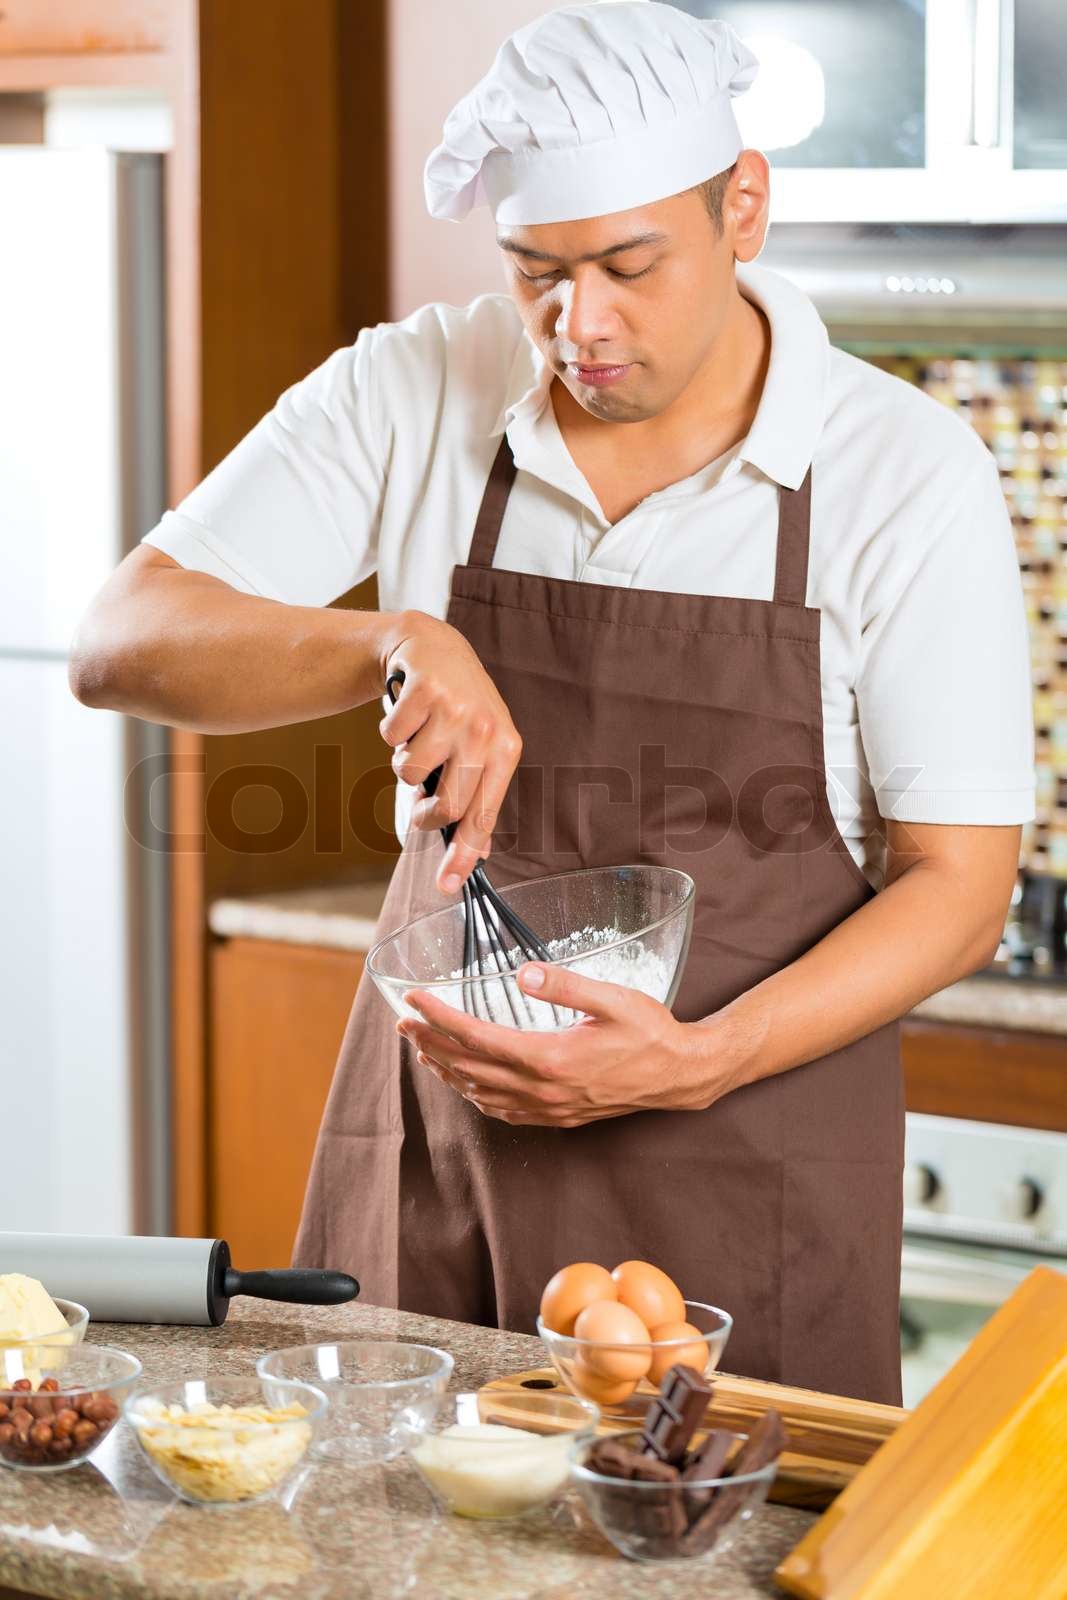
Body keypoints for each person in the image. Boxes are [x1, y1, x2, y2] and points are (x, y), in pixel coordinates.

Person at [71, 3, 1034, 1404]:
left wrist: (697, 1062)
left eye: (630, 266)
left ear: (743, 206)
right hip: (442, 1154)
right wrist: (385, 643)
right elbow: (120, 639)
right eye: (538, 273)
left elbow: (963, 885)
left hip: (747, 1158)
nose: (580, 327)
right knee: (401, 1526)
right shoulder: (422, 385)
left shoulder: (902, 473)